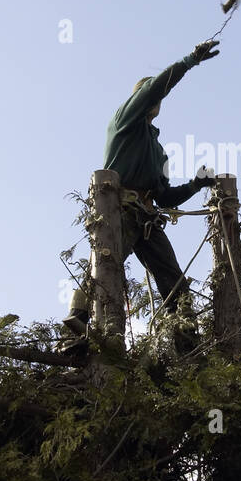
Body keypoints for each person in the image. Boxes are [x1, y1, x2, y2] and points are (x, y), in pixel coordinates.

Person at [66, 39, 221, 355]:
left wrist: (195, 184)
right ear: (140, 97)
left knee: (172, 277)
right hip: (118, 208)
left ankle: (187, 341)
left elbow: (164, 198)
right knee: (105, 262)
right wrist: (191, 60)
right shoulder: (125, 120)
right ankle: (76, 327)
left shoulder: (158, 150)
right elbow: (156, 88)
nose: (155, 98)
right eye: (150, 93)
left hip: (147, 217)